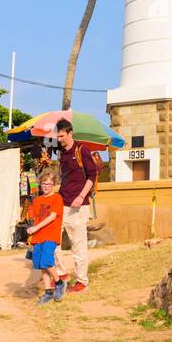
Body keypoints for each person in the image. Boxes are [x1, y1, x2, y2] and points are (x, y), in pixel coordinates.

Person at [55, 118, 98, 294]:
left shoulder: (82, 150)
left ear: (70, 133)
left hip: (79, 206)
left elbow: (92, 175)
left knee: (78, 245)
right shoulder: (61, 154)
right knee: (52, 242)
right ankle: (62, 274)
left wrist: (81, 196)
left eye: (62, 135)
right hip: (62, 202)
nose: (59, 139)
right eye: (57, 136)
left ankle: (81, 281)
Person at [27, 171, 68, 305]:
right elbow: (36, 219)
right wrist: (32, 231)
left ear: (54, 185)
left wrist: (36, 228)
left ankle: (59, 282)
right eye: (44, 183)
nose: (46, 186)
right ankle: (48, 291)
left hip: (50, 234)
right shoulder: (37, 200)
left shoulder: (57, 198)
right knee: (41, 265)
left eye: (49, 184)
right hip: (38, 236)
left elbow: (52, 216)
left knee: (46, 260)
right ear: (40, 184)